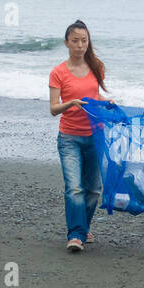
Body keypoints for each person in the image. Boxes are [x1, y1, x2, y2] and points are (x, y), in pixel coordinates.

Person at [48, 20, 106, 252]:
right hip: (69, 137)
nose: (80, 45)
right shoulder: (58, 72)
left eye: (84, 40)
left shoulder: (97, 67)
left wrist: (106, 103)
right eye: (75, 40)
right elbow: (53, 108)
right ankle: (75, 235)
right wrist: (70, 103)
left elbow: (96, 98)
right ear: (66, 43)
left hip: (95, 136)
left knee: (93, 189)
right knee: (74, 187)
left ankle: (83, 228)